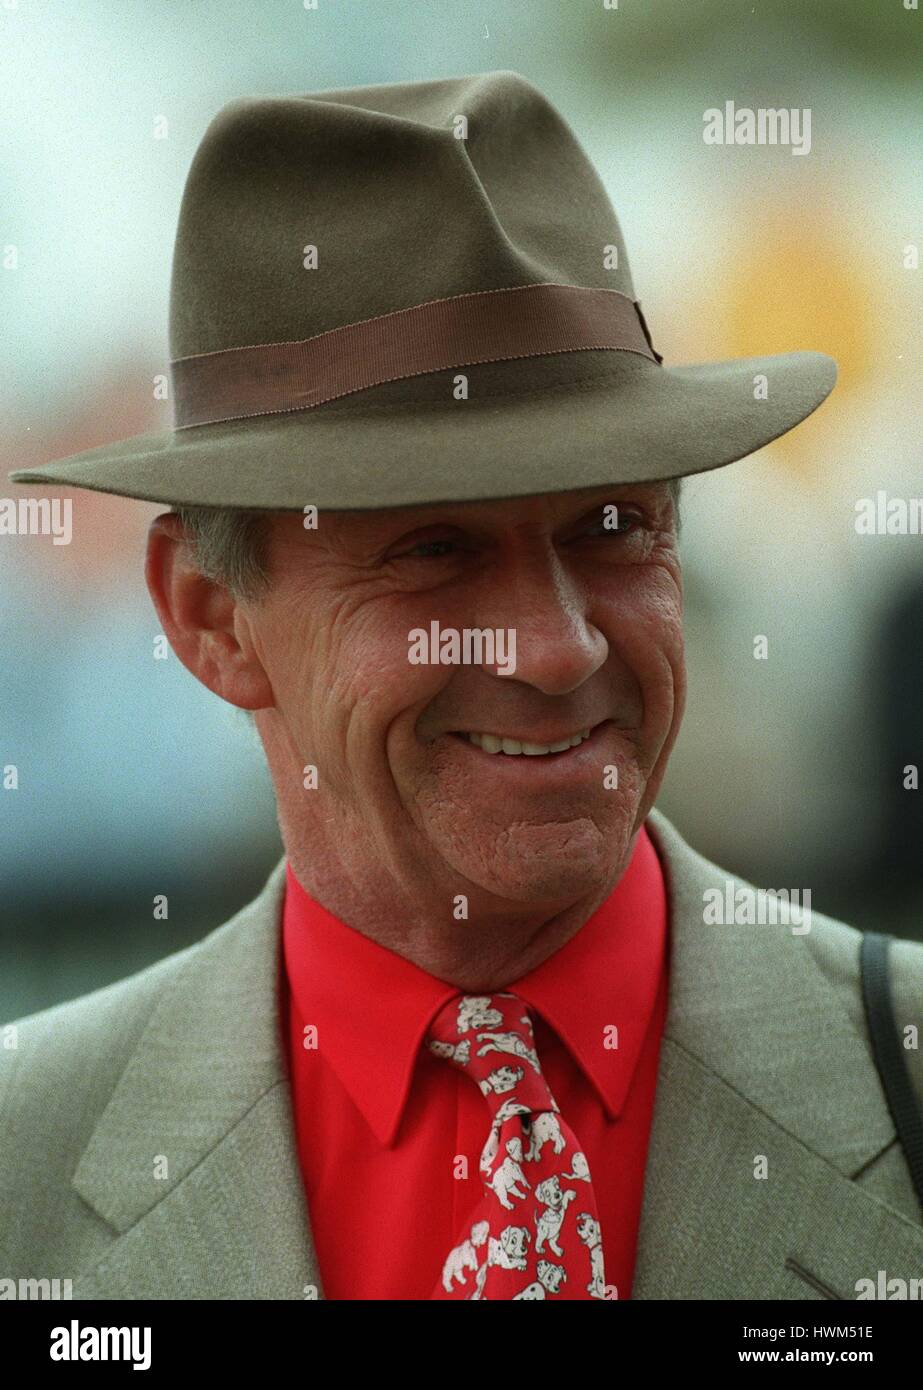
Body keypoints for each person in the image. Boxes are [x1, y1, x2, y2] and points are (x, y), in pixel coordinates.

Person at [4, 70, 922, 1301]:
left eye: (610, 525)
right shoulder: (26, 1175)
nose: (554, 648)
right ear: (210, 614)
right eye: (432, 551)